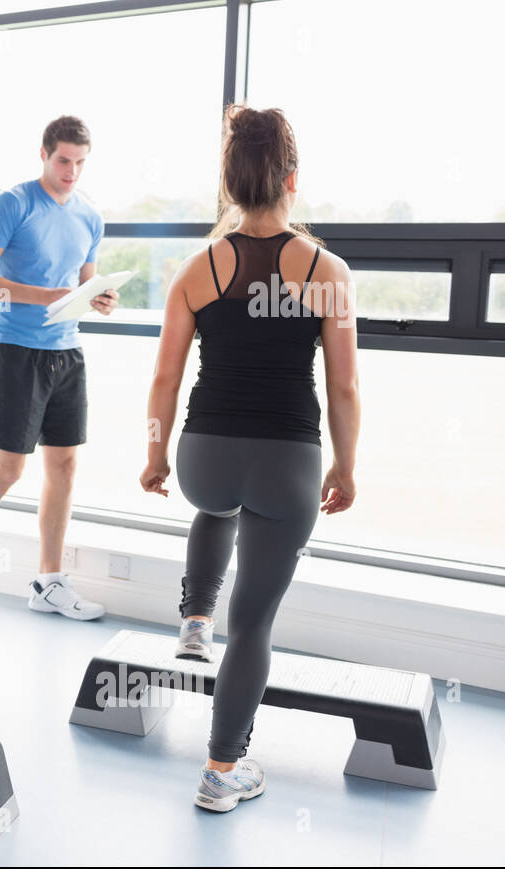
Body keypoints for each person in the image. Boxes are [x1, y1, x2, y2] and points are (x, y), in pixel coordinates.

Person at [140, 105, 359, 812]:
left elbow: (165, 381)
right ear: (291, 181)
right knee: (256, 623)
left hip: (204, 456)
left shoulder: (195, 270)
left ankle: (193, 620)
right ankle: (221, 769)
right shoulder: (328, 270)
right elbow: (344, 385)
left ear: (230, 185)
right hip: (285, 462)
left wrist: (154, 456)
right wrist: (344, 466)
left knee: (217, 505)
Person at [0, 115, 118, 620]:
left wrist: (96, 298)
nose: (71, 172)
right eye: (63, 160)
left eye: (80, 163)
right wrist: (43, 296)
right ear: (43, 154)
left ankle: (48, 582)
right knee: (8, 469)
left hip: (67, 350)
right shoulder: (13, 203)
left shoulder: (90, 217)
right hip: (15, 348)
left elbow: (82, 284)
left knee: (64, 466)